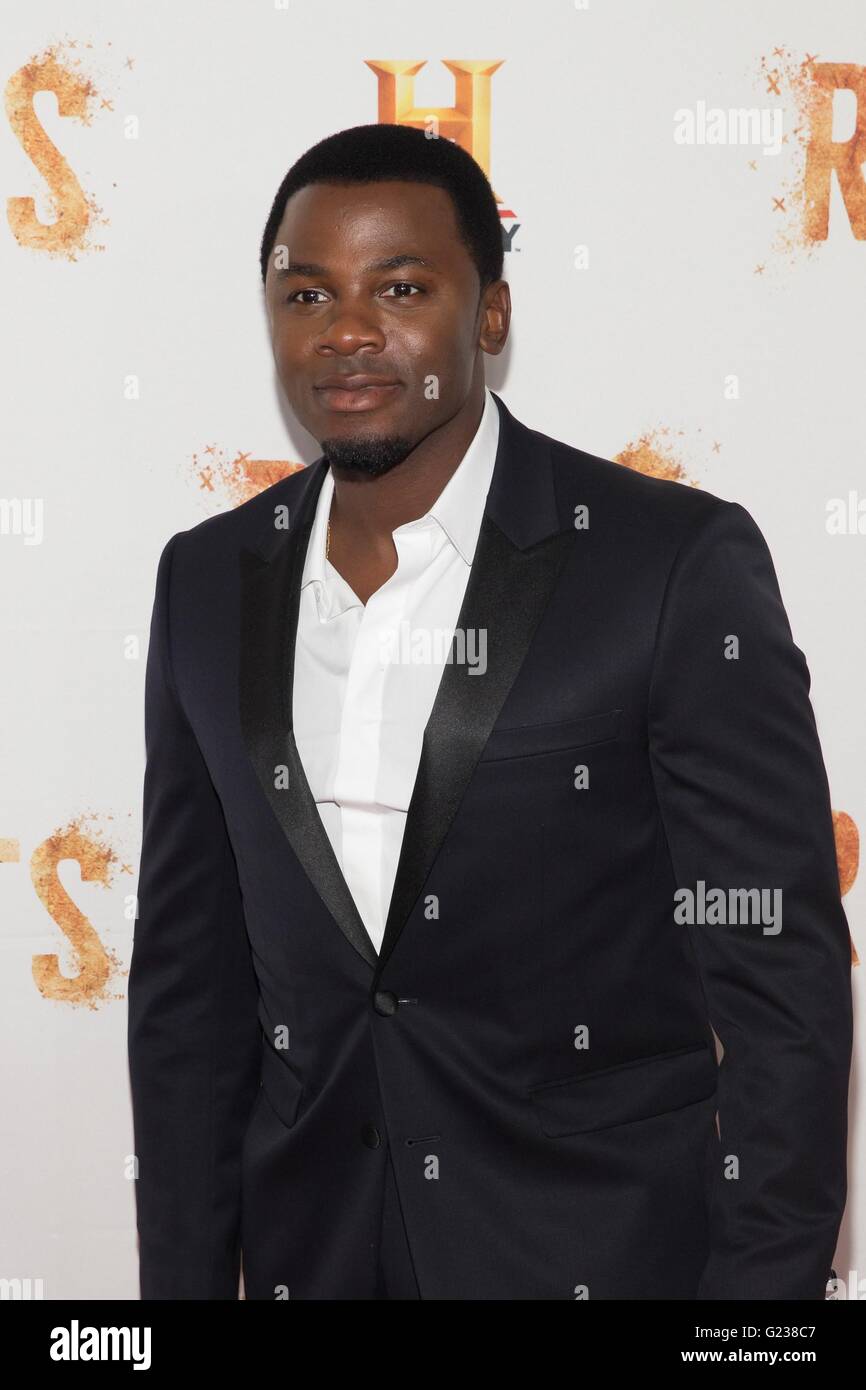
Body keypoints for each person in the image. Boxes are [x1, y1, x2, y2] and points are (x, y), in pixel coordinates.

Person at [128, 122, 853, 1300]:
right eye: (306, 291)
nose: (349, 330)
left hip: (604, 1262)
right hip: (310, 1258)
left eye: (401, 287)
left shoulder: (664, 565)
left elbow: (781, 989)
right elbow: (189, 993)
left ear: (492, 314)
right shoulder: (206, 579)